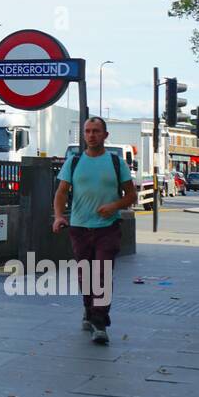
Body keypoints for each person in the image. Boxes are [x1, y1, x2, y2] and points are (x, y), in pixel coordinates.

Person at [53, 117, 137, 345]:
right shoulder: (73, 160)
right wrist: (59, 216)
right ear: (83, 135)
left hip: (108, 228)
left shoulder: (116, 162)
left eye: (96, 131)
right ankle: (89, 309)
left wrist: (114, 206)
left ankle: (100, 322)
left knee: (102, 274)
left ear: (105, 135)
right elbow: (61, 192)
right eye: (88, 131)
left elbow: (131, 196)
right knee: (85, 275)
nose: (92, 135)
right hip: (79, 227)